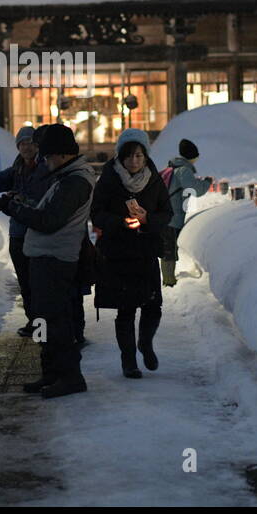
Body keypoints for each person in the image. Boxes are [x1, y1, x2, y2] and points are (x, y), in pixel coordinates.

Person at [2, 124, 98, 399]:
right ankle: (51, 371)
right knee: (43, 319)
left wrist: (15, 209)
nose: (44, 160)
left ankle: (70, 376)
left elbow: (49, 221)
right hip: (44, 256)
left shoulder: (75, 181)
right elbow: (45, 212)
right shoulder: (63, 177)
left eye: (47, 155)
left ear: (62, 154)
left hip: (56, 259)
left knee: (56, 321)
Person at [91, 128, 171, 378]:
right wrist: (119, 222)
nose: (134, 161)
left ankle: (145, 344)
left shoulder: (154, 179)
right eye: (129, 156)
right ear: (120, 156)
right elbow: (96, 213)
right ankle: (128, 360)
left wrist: (148, 219)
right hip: (119, 253)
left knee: (153, 305)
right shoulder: (108, 179)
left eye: (139, 155)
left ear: (145, 155)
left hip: (146, 251)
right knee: (125, 309)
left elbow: (167, 212)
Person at [0, 126, 48, 336]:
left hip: (38, 233)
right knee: (25, 281)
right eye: (22, 143)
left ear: (37, 145)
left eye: (30, 142)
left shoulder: (44, 167)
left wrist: (12, 201)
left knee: (40, 282)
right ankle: (34, 323)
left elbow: (39, 197)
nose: (26, 147)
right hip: (18, 233)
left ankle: (44, 324)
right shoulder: (18, 167)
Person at [160, 137, 212, 287]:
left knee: (168, 249)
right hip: (172, 217)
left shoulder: (173, 167)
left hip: (167, 215)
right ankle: (169, 281)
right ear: (193, 156)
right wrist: (207, 183)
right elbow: (196, 189)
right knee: (169, 251)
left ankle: (168, 279)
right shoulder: (183, 170)